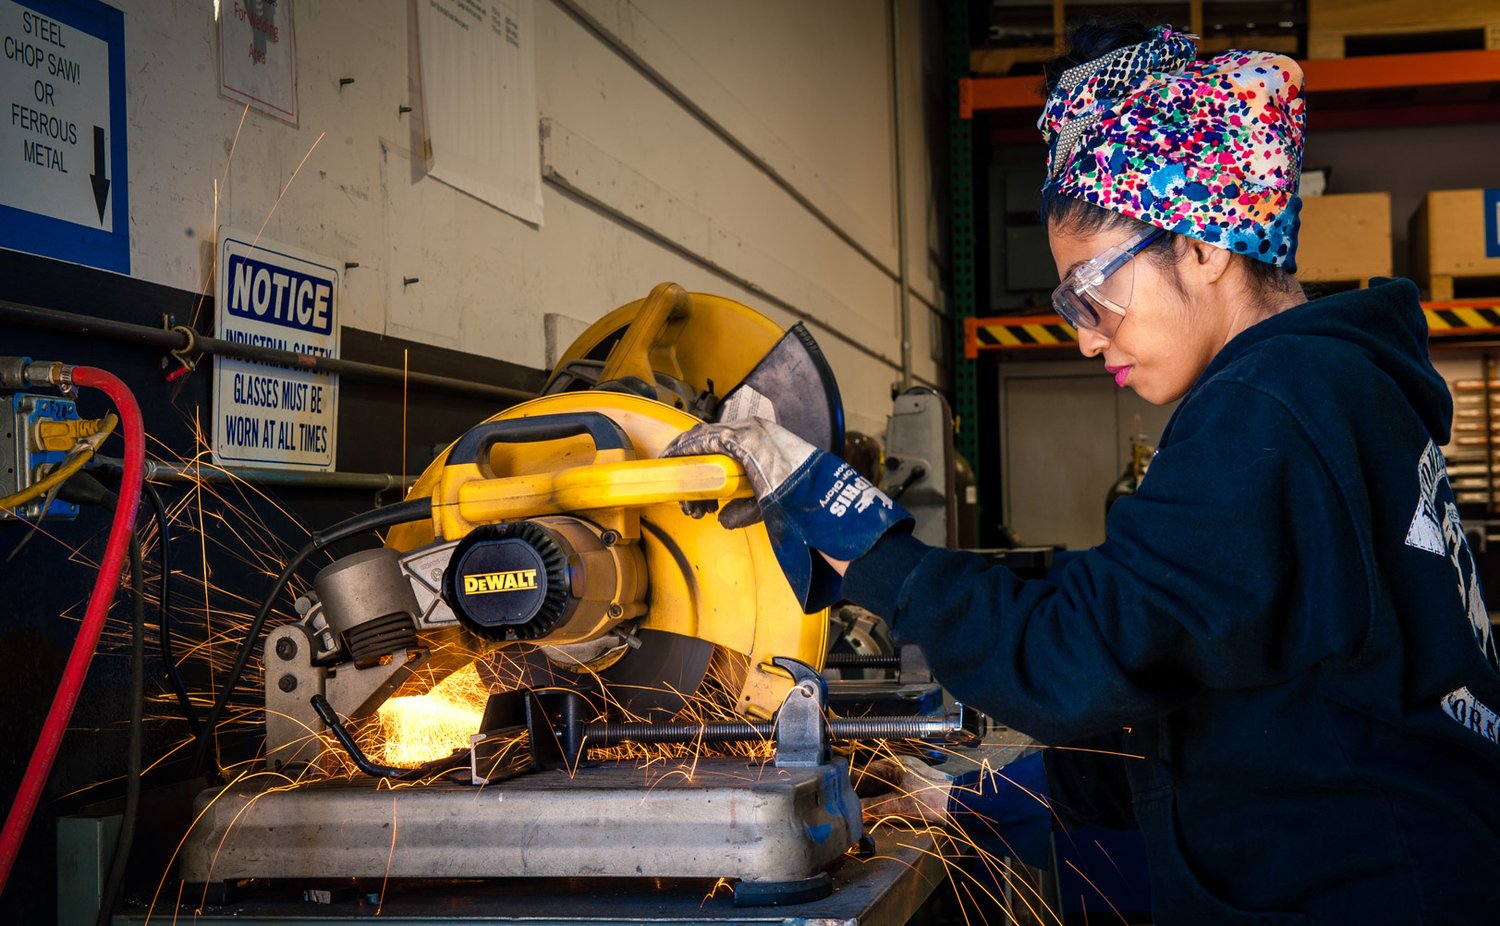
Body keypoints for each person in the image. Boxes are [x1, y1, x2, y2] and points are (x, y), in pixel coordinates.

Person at [665, 22, 1500, 925]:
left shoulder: (1271, 406)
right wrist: (980, 802)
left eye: (1091, 294)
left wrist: (851, 531)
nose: (1086, 337)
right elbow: (1211, 681)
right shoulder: (1334, 391)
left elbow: (1075, 660)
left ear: (1202, 247)